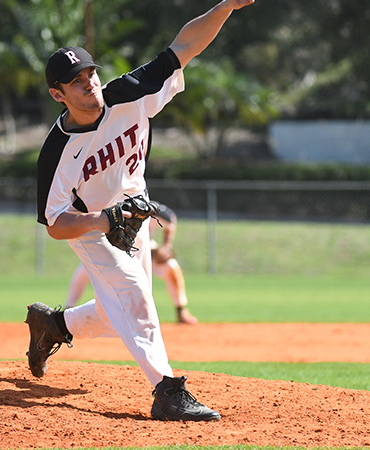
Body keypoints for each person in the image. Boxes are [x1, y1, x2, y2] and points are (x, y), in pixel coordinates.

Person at [29, 0, 256, 422]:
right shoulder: (56, 153)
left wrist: (227, 4)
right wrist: (103, 221)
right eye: (75, 82)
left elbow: (185, 45)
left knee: (122, 311)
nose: (89, 83)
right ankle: (167, 391)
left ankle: (55, 327)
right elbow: (55, 225)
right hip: (90, 227)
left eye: (90, 73)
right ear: (58, 94)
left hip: (133, 215)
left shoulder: (130, 93)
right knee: (132, 292)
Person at [65, 202, 199, 325]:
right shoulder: (111, 203)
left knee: (171, 266)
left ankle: (181, 310)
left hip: (142, 249)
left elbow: (170, 221)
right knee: (85, 269)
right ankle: (67, 309)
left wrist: (166, 247)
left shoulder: (148, 208)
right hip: (112, 247)